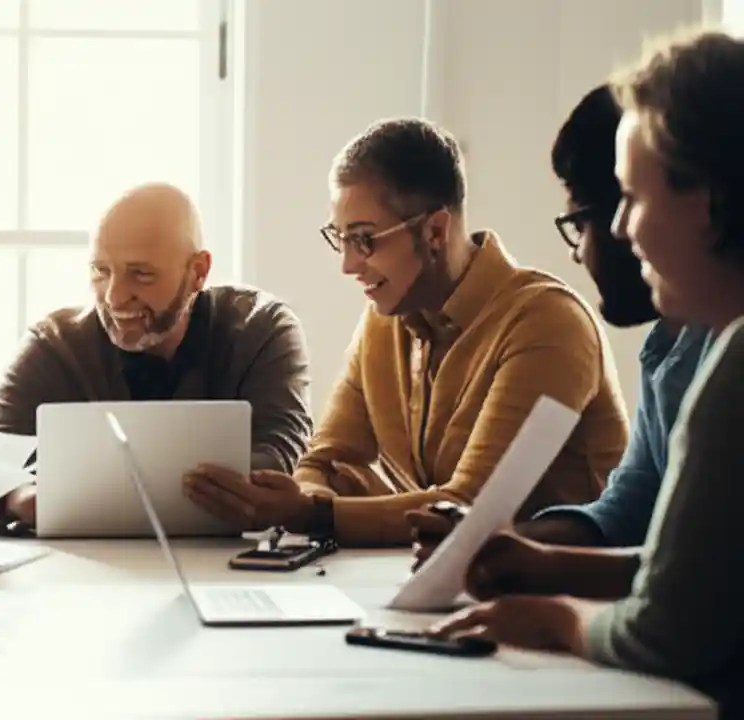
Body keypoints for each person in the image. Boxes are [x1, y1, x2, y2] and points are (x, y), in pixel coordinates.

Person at [434, 31, 744, 718]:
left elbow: (668, 630)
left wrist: (554, 619)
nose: (624, 229)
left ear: (710, 200)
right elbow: (703, 572)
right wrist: (546, 565)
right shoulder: (691, 346)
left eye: (631, 197)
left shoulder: (735, 365)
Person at [184, 118, 629, 546]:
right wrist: (309, 498)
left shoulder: (547, 322)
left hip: (564, 595)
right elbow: (326, 461)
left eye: (364, 239)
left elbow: (470, 507)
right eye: (339, 238)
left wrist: (313, 512)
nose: (348, 264)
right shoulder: (384, 321)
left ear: (435, 230)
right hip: (448, 583)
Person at [405, 86, 712, 594]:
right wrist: (505, 543)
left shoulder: (549, 319)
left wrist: (549, 591)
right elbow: (626, 512)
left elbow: (705, 573)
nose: (616, 232)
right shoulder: (669, 344)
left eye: (581, 221)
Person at [0, 182, 313, 534]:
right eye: (100, 271)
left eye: (141, 274)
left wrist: (91, 497)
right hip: (77, 568)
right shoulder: (55, 344)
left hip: (221, 565)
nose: (114, 297)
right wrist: (21, 497)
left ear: (198, 272)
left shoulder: (260, 329)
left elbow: (279, 453)